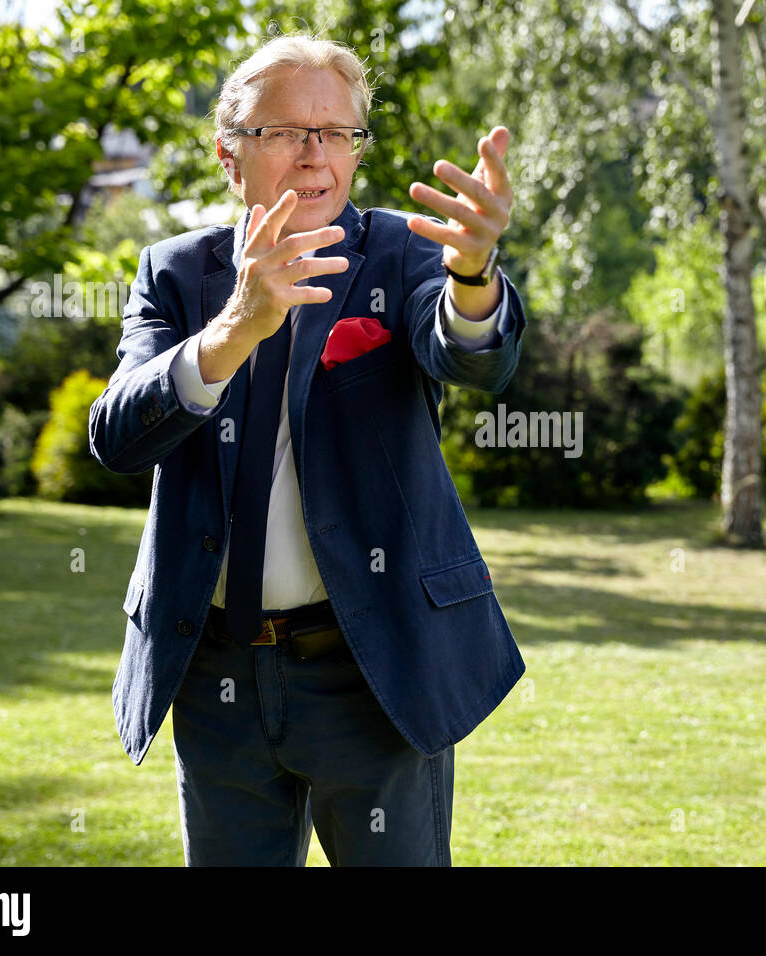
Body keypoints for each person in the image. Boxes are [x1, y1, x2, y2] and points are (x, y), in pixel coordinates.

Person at [88, 33, 527, 866]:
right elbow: (117, 435)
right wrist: (234, 330)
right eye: (288, 131)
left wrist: (473, 276)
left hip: (375, 668)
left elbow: (471, 354)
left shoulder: (400, 254)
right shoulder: (176, 275)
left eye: (339, 133)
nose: (316, 154)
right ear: (230, 152)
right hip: (216, 678)